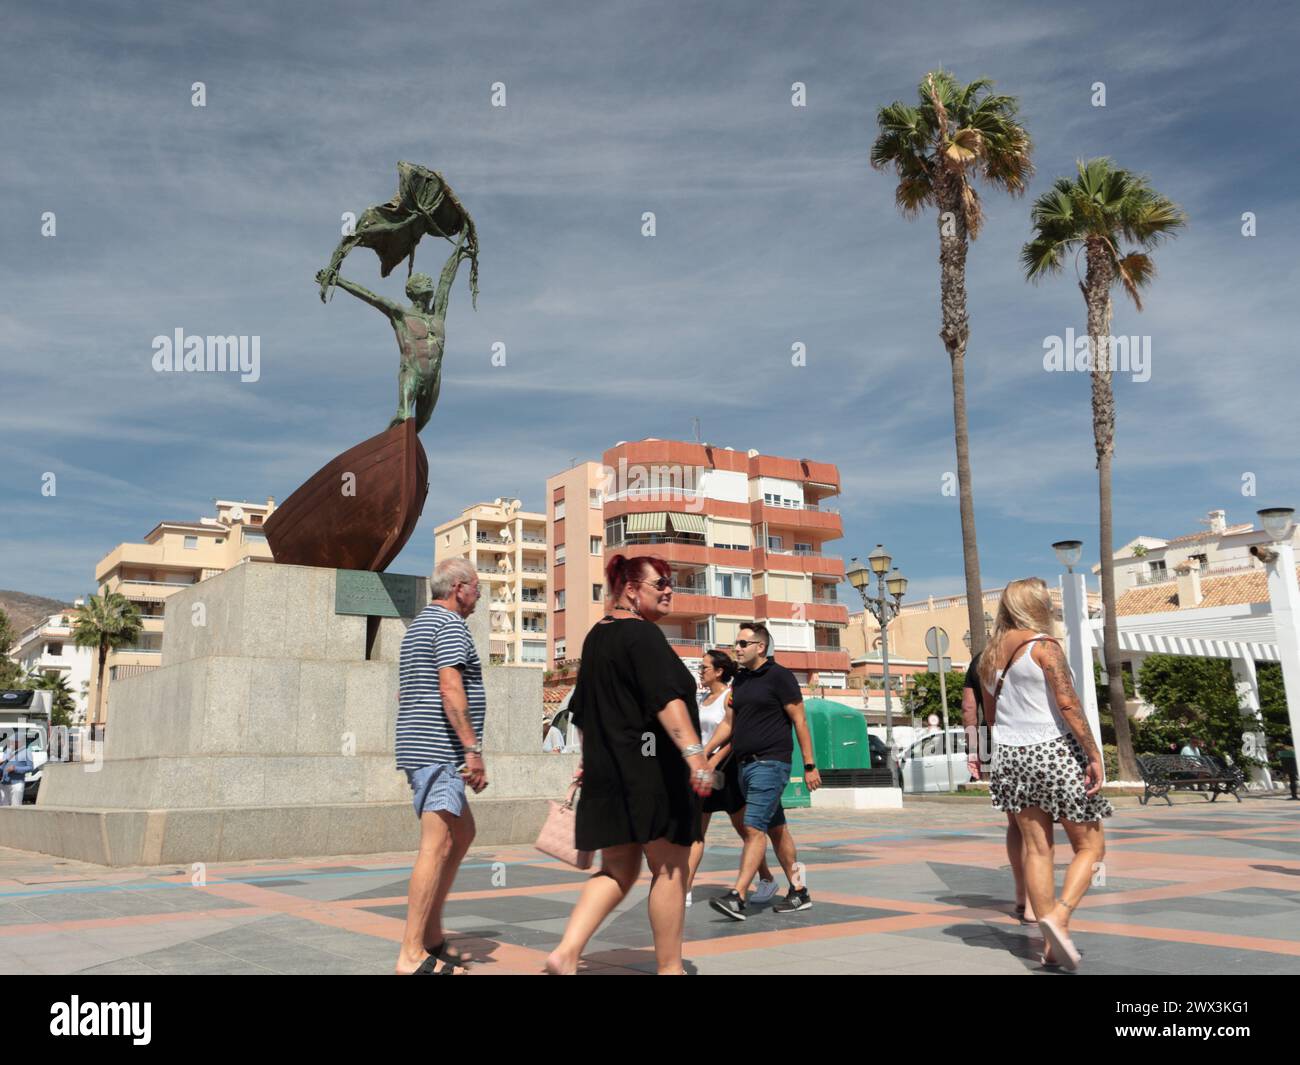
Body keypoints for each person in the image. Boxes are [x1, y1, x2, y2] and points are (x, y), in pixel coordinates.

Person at [545, 555, 713, 975]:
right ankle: (671, 968)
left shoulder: (594, 638)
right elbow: (667, 700)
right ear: (632, 590)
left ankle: (566, 953)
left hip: (608, 772)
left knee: (618, 870)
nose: (669, 589)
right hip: (651, 770)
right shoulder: (643, 636)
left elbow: (581, 711)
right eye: (660, 584)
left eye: (671, 582)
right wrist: (696, 757)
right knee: (670, 867)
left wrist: (588, 761)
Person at [978, 578, 1112, 971]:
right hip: (1053, 750)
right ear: (1038, 605)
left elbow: (990, 717)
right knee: (1091, 847)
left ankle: (1050, 942)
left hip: (1010, 756)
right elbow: (1068, 705)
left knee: (1037, 848)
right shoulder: (1044, 646)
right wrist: (1093, 753)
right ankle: (1061, 915)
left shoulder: (988, 656)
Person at [393, 558, 487, 975]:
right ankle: (410, 954)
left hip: (425, 746)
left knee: (462, 833)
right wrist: (471, 749)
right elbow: (450, 687)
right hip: (440, 751)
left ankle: (431, 936)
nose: (479, 596)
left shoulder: (418, 626)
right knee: (435, 845)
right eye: (477, 588)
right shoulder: (449, 626)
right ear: (459, 588)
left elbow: (405, 692)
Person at [707, 623, 822, 920]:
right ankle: (799, 891)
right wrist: (706, 752)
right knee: (776, 829)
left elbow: (800, 722)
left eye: (744, 643)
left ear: (761, 646)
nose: (738, 648)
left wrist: (809, 765)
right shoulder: (741, 682)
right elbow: (728, 724)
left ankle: (738, 895)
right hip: (745, 765)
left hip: (771, 763)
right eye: (737, 643)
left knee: (753, 827)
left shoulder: (780, 677)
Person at [685, 649, 777, 908]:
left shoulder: (730, 697)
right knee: (696, 832)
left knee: (746, 830)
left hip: (726, 770)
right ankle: (686, 888)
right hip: (703, 770)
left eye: (704, 667)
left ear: (719, 671)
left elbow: (736, 735)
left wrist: (714, 759)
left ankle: (767, 878)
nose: (700, 671)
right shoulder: (702, 698)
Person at [963, 652, 1050, 924]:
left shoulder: (982, 659)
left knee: (1016, 823)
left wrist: (973, 750)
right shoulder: (1036, 649)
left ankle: (1022, 895)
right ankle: (1039, 902)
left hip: (1003, 745)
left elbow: (969, 707)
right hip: (1041, 741)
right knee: (1039, 825)